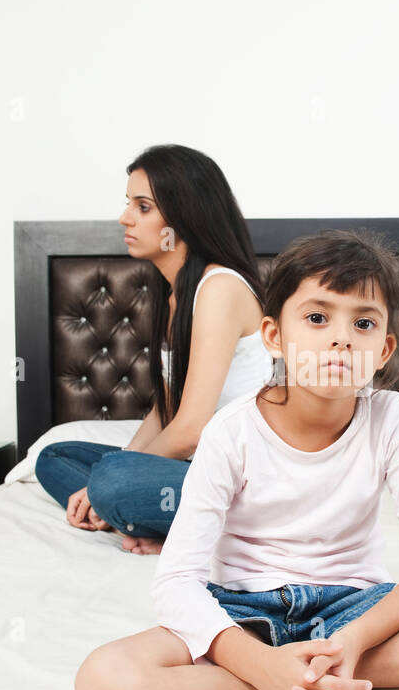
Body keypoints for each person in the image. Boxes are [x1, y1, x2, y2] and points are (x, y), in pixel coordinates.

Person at [73, 230, 399, 690]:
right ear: (274, 336)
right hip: (244, 616)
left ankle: (304, 682)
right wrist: (261, 666)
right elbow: (176, 581)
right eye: (317, 318)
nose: (341, 338)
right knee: (104, 681)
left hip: (355, 610)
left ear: (384, 349)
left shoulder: (389, 417)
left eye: (363, 323)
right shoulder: (232, 430)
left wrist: (357, 638)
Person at [35, 145, 272, 555]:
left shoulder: (219, 289)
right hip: (195, 470)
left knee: (111, 482)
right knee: (54, 456)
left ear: (184, 217)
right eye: (128, 204)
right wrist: (126, 463)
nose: (125, 217)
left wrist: (109, 480)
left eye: (143, 207)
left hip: (244, 483)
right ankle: (150, 521)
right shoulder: (175, 293)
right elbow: (166, 411)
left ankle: (195, 533)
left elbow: (191, 428)